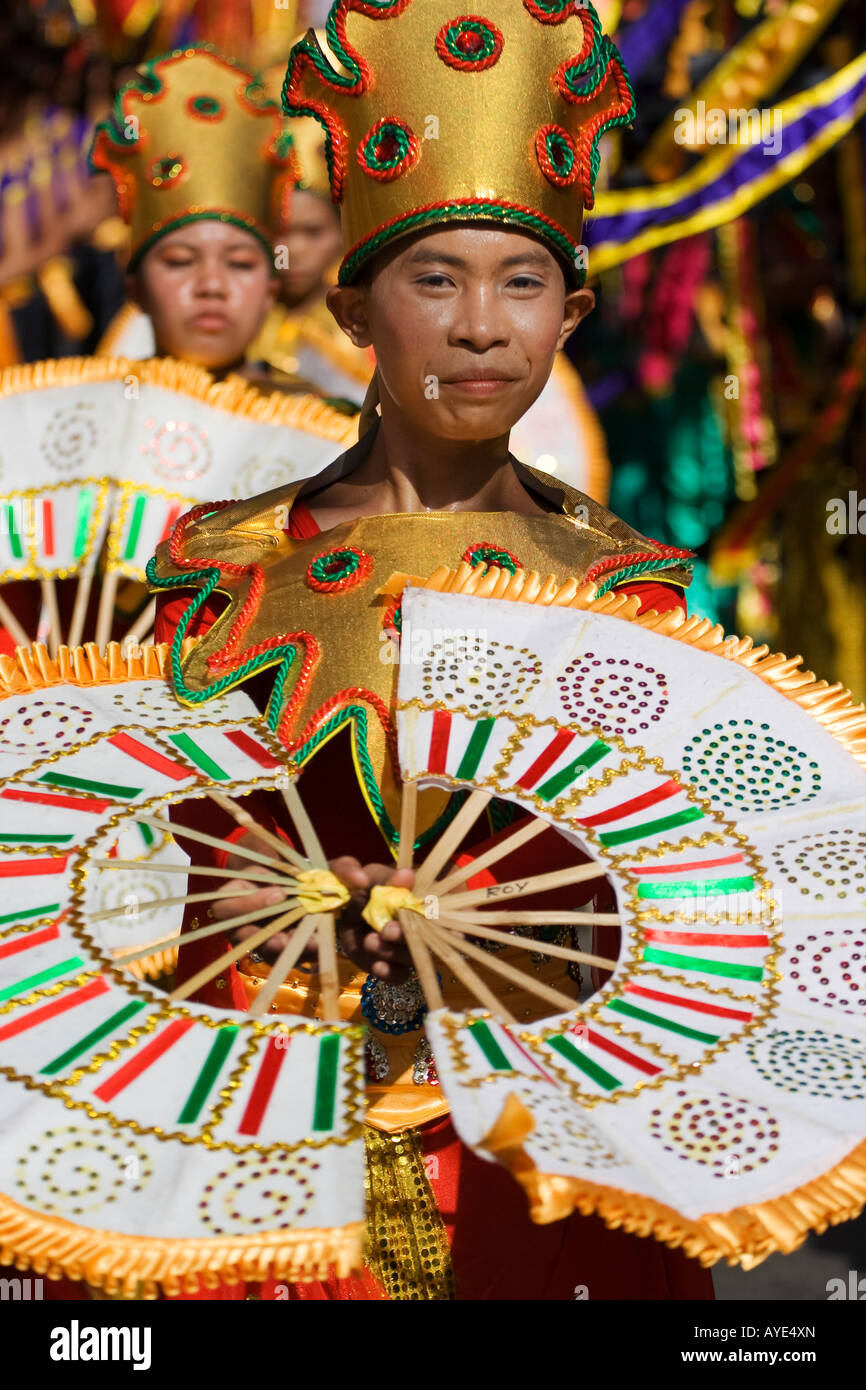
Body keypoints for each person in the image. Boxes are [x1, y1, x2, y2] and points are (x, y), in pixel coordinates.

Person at [150, 0, 712, 1301]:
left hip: (536, 1150)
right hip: (278, 1128)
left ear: (570, 314)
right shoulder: (226, 565)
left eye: (522, 283)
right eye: (435, 280)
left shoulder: (626, 592)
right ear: (354, 308)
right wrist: (303, 904)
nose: (480, 327)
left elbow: (666, 912)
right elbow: (169, 879)